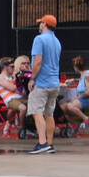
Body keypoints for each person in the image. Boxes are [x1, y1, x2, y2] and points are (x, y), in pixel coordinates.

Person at [27, 14, 61, 154]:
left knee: (37, 112)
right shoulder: (57, 41)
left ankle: (42, 143)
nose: (39, 25)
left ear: (45, 24)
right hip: (54, 83)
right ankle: (50, 143)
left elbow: (38, 61)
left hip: (42, 82)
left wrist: (32, 78)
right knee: (49, 114)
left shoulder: (39, 39)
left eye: (40, 23)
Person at [58, 55, 89, 133]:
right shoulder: (83, 74)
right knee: (61, 108)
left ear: (76, 67)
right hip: (81, 99)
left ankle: (86, 118)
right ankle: (76, 125)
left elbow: (88, 92)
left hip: (88, 100)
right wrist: (74, 80)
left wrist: (77, 98)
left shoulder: (88, 75)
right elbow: (82, 80)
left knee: (69, 106)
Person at [0, 56, 25, 129]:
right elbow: (12, 88)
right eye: (12, 67)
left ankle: (31, 127)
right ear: (5, 67)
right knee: (23, 108)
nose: (14, 69)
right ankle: (22, 128)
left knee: (34, 105)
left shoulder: (11, 76)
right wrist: (16, 78)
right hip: (10, 100)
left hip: (20, 98)